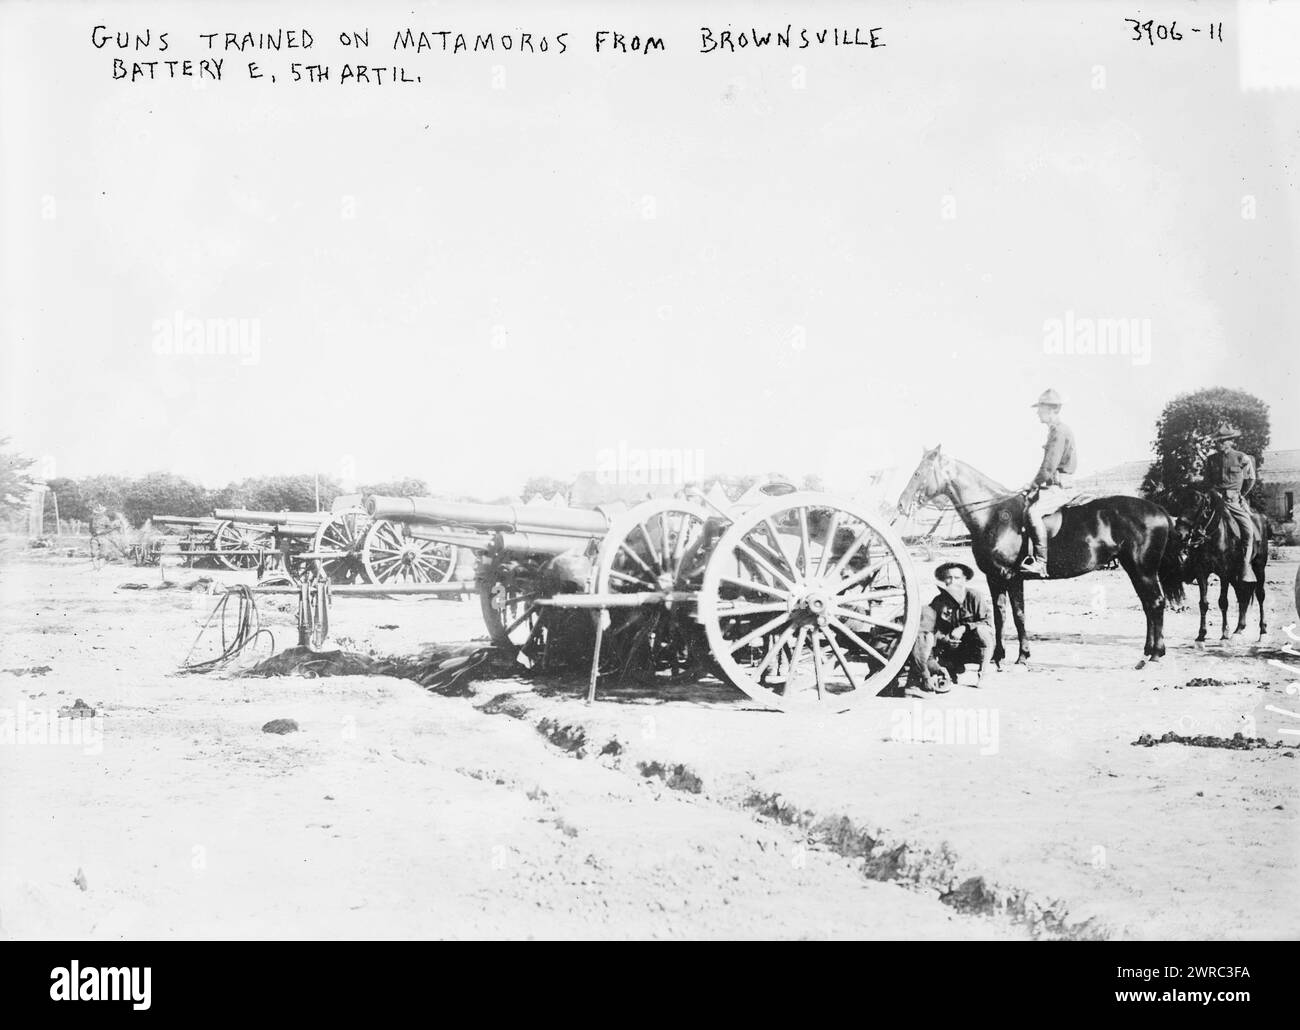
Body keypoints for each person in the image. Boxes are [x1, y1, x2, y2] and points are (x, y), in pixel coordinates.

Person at [909, 562, 993, 691]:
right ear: (944, 580)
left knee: (983, 632)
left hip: (971, 644)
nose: (953, 581)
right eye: (949, 577)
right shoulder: (938, 601)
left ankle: (983, 674)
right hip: (949, 647)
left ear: (964, 579)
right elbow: (929, 629)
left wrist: (964, 628)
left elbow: (986, 622)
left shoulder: (975, 596)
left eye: (957, 578)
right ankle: (949, 670)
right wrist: (945, 638)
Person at [1021, 388, 1077, 578]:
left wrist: (1032, 484)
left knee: (1033, 512)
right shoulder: (1055, 430)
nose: (1037, 412)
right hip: (1053, 485)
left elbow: (1049, 467)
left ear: (1052, 409)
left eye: (1040, 408)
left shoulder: (1059, 432)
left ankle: (1041, 562)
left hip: (1058, 487)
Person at [1201, 423, 1258, 583]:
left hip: (1234, 502)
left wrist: (1241, 495)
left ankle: (1246, 567)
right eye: (1218, 441)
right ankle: (1192, 565)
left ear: (1231, 441)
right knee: (1194, 525)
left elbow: (1251, 479)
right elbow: (1206, 481)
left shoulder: (1242, 458)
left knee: (1248, 531)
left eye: (1223, 440)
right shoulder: (1211, 460)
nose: (1219, 443)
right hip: (1214, 501)